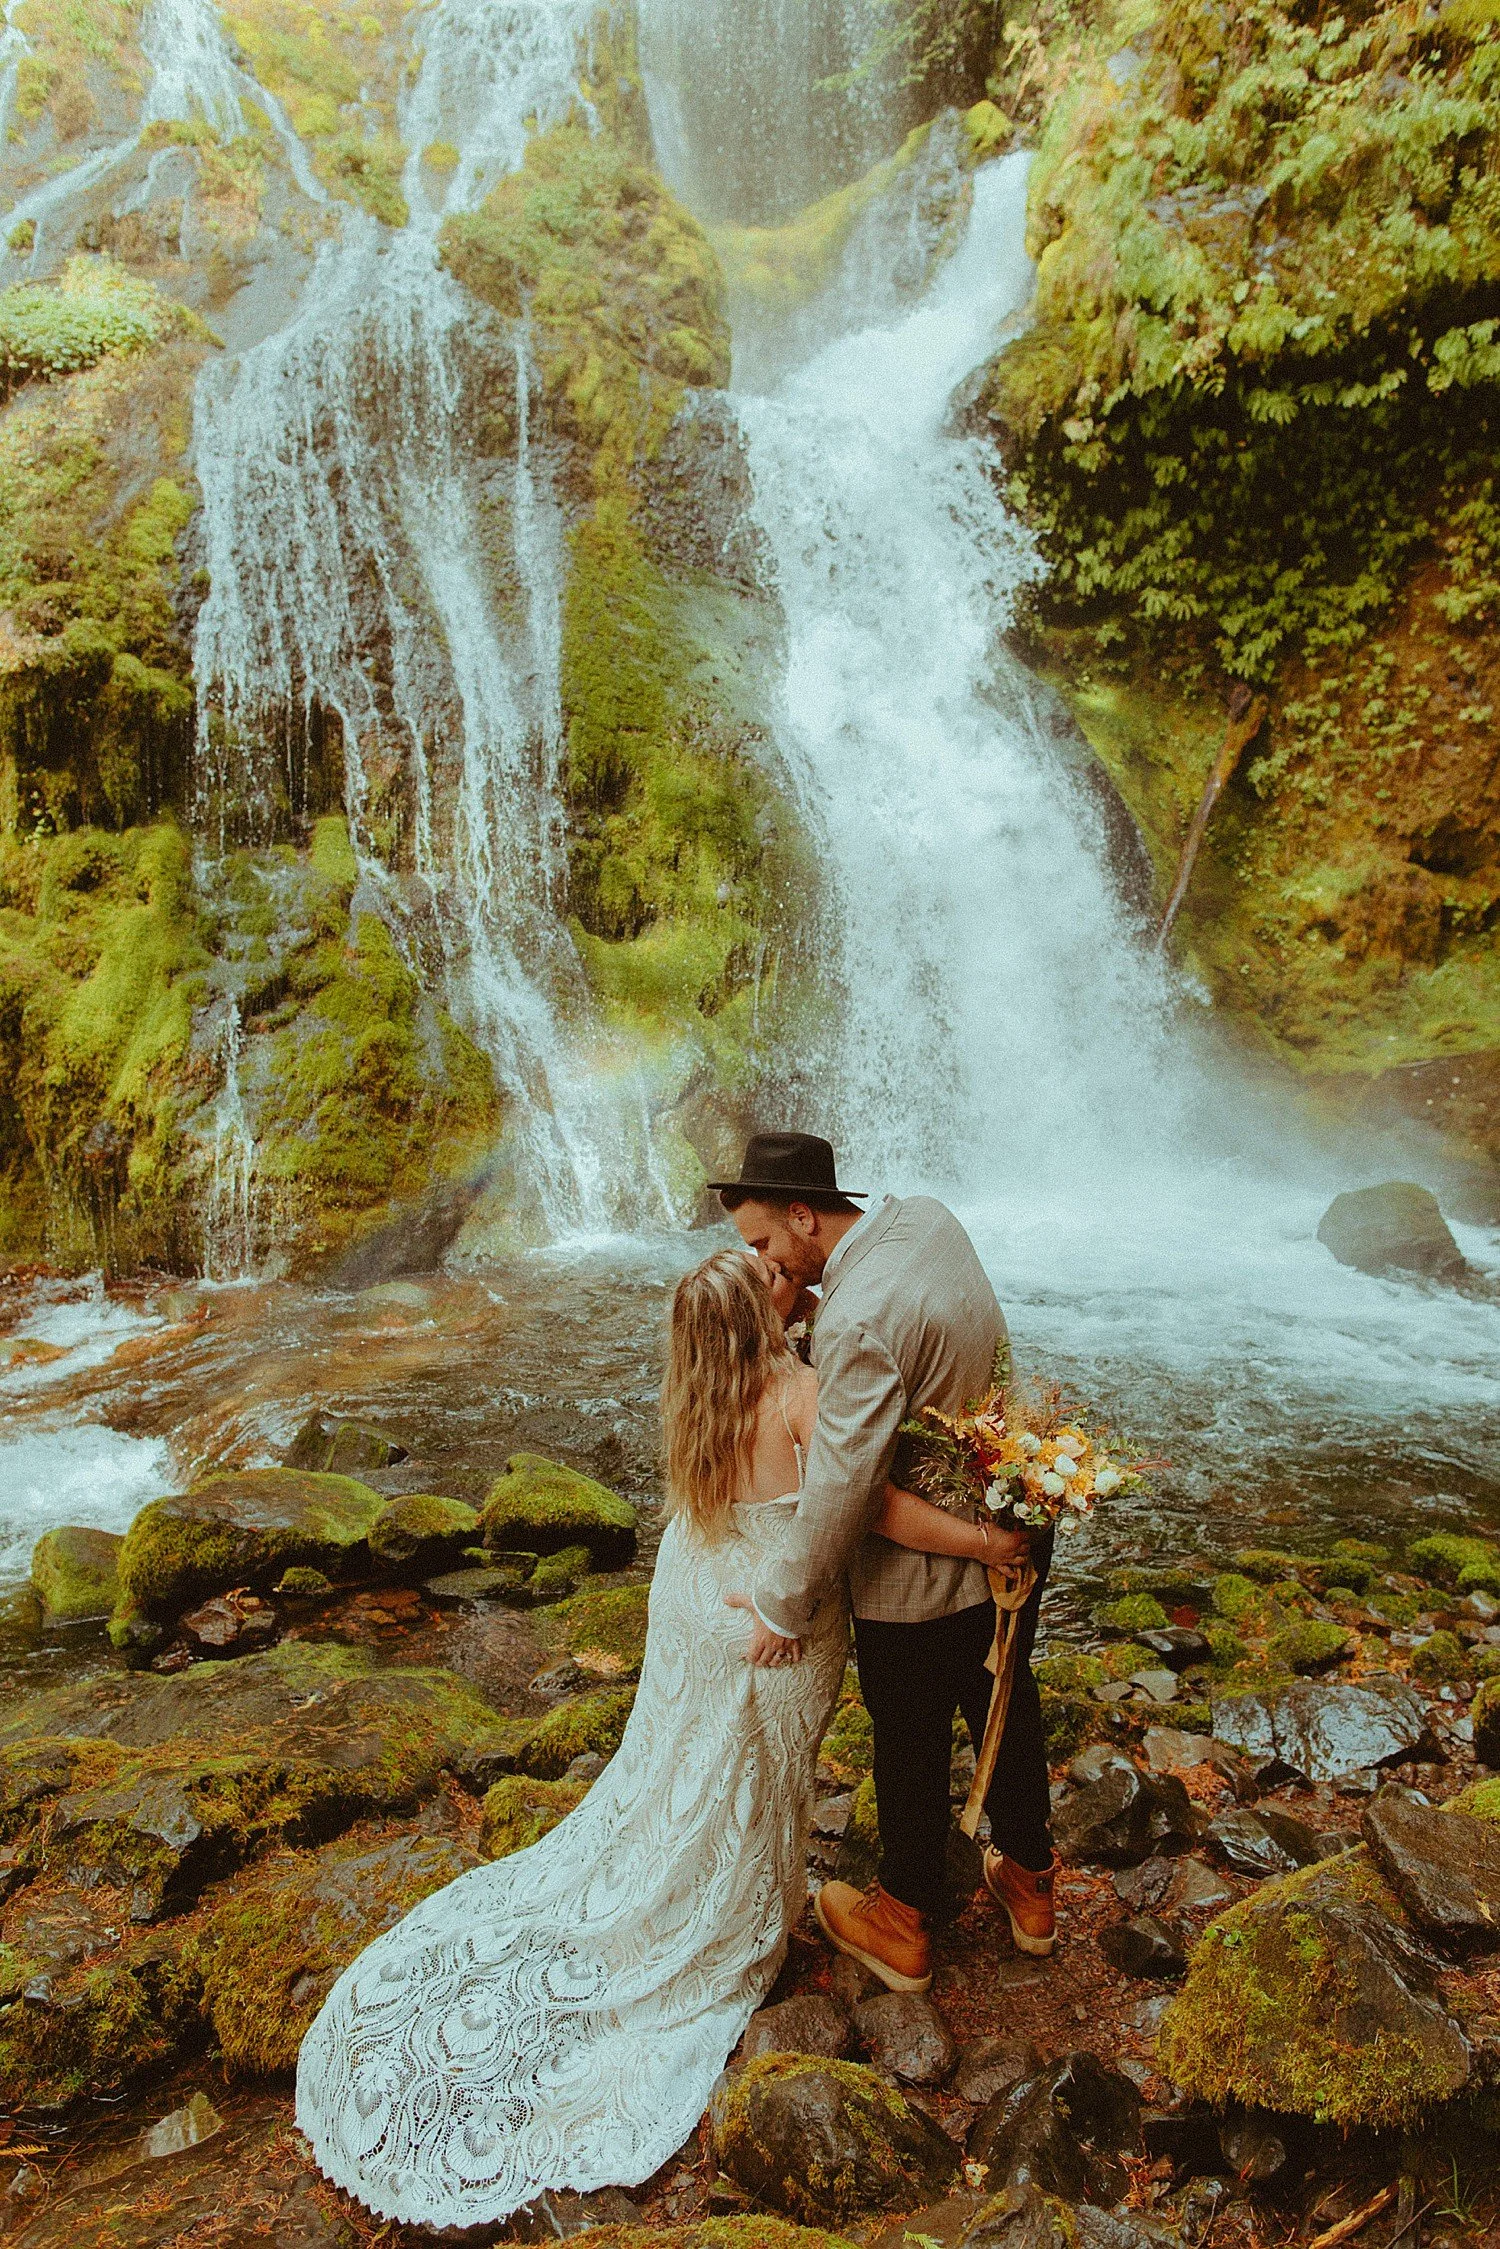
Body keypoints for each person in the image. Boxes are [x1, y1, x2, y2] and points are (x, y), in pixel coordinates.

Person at [295, 1249, 991, 2232]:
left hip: (697, 1594)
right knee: (758, 1772)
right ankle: (729, 1919)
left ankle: (678, 1881)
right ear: (762, 1314)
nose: (783, 1267)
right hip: (769, 1622)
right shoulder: (800, 1387)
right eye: (769, 1274)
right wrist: (984, 1542)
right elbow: (865, 1505)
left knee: (678, 1767)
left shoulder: (699, 1393)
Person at [712, 1131, 1057, 1995]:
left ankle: (903, 1918)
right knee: (1005, 1706)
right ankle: (1031, 1884)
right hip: (1010, 1530)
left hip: (922, 1577)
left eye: (761, 1242)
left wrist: (781, 1603)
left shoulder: (857, 1319)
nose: (757, 1260)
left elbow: (844, 1486)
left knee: (906, 1741)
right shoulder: (929, 1221)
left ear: (803, 1216)